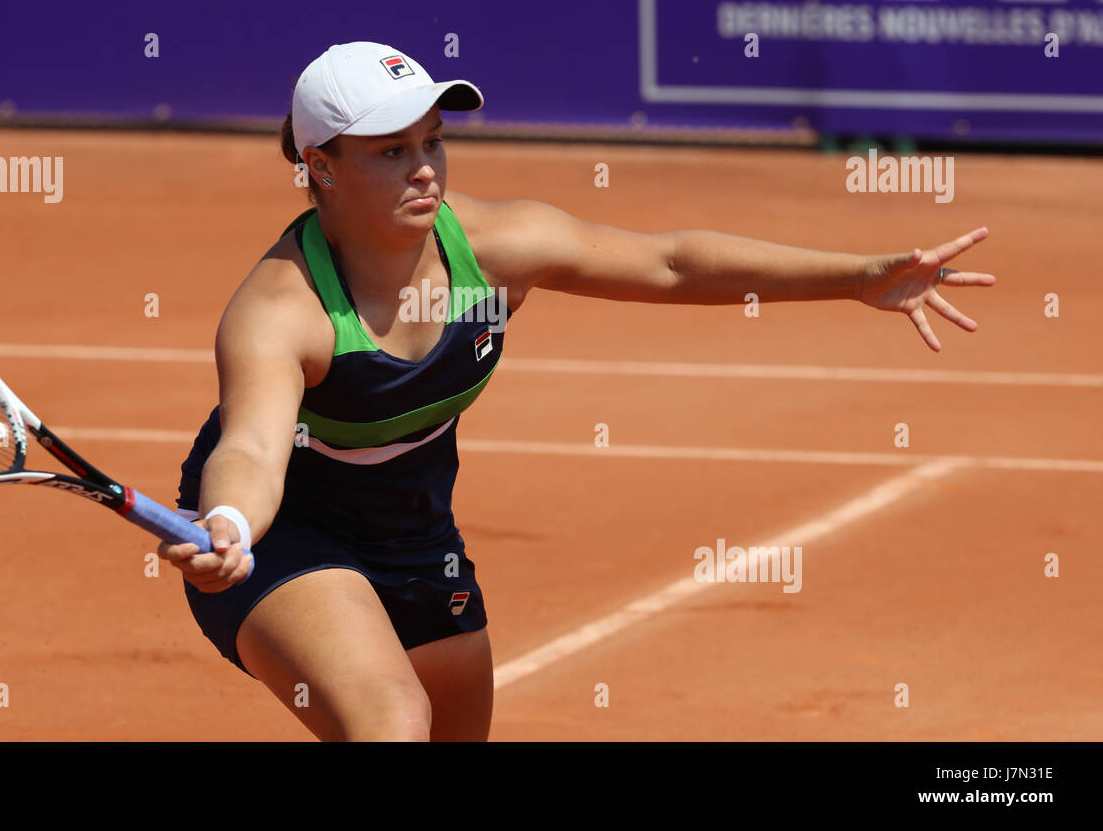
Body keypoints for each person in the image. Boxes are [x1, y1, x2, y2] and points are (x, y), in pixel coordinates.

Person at [159, 41, 996, 742]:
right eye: (389, 151)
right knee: (393, 721)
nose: (425, 170)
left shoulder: (493, 247)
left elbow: (670, 263)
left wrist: (857, 277)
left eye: (432, 141)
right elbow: (253, 449)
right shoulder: (279, 310)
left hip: (411, 526)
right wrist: (228, 525)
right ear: (320, 167)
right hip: (284, 530)